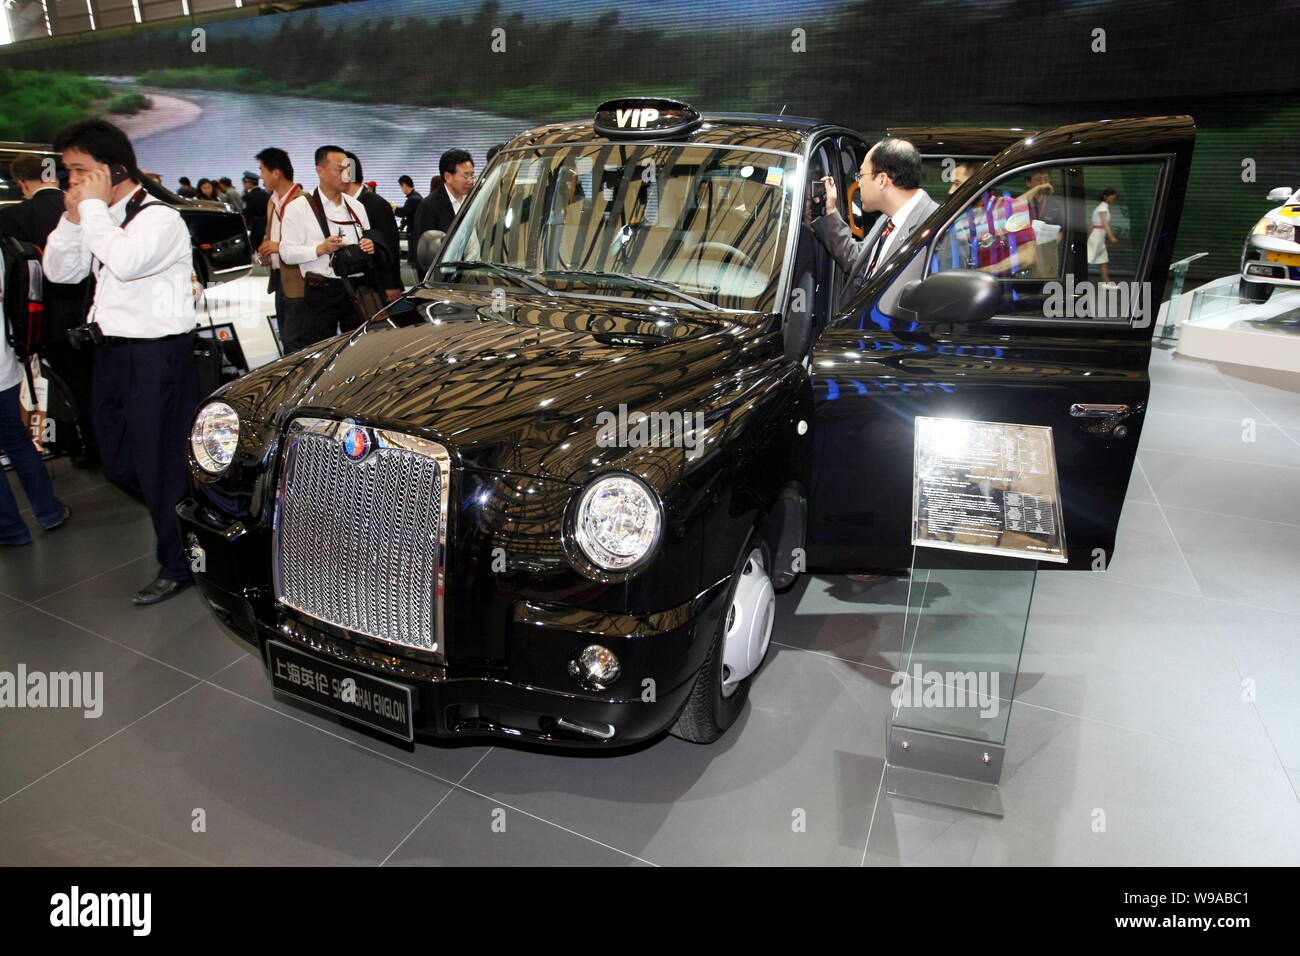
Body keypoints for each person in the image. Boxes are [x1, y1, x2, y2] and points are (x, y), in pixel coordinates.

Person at [42, 119, 198, 605]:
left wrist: (89, 209)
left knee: (159, 461)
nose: (73, 182)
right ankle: (185, 520)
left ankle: (178, 561)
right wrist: (72, 219)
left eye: (80, 171)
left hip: (157, 356)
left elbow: (127, 262)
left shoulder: (160, 219)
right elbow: (60, 272)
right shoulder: (97, 218)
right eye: (68, 172)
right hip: (111, 353)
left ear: (113, 169)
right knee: (116, 461)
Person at [0, 153, 98, 467]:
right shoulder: (90, 207)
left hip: (48, 321)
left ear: (21, 183)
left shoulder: (14, 218)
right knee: (102, 382)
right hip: (98, 313)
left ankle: (80, 444)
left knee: (67, 388)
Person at [815, 138, 939, 310]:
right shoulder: (887, 220)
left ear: (881, 180)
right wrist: (830, 210)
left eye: (861, 175)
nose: (859, 183)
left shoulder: (937, 226)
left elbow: (941, 308)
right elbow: (857, 259)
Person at [0, 239, 70, 546]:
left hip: (5, 363)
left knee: (16, 438)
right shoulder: (3, 248)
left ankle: (10, 529)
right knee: (17, 438)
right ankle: (49, 511)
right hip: (4, 363)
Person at [277, 144, 376, 352]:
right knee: (320, 352)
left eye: (348, 169)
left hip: (357, 289)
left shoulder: (357, 207)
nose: (346, 174)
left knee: (359, 351)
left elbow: (368, 239)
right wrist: (319, 249)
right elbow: (286, 254)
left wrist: (368, 245)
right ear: (320, 170)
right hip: (321, 291)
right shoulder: (299, 208)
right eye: (340, 169)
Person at [254, 147, 304, 351]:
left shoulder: (303, 200)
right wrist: (266, 252)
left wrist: (278, 247)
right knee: (285, 337)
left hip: (299, 281)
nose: (260, 176)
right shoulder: (272, 201)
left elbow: (312, 242)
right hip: (279, 279)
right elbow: (269, 235)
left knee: (296, 341)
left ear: (276, 172)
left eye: (262, 170)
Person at [343, 151, 401, 301]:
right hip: (352, 286)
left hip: (378, 287)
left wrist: (392, 285)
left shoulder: (375, 204)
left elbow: (391, 247)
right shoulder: (340, 204)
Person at [409, 148, 474, 268]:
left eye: (472, 175)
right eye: (465, 176)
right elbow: (423, 256)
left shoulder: (473, 200)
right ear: (448, 177)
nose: (471, 181)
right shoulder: (429, 207)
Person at [1089, 188, 1119, 284]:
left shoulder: (1102, 207)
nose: (1112, 200)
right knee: (1088, 258)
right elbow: (1105, 224)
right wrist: (1112, 237)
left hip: (1099, 236)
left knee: (1103, 260)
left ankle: (1106, 282)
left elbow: (1093, 224)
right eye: (1111, 198)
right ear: (1105, 197)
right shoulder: (1102, 207)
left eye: (1113, 199)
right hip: (1097, 236)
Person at [241, 171, 270, 250]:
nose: (244, 185)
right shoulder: (266, 194)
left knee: (255, 247)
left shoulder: (248, 196)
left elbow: (246, 213)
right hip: (265, 224)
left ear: (249, 183)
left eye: (244, 183)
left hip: (254, 225)